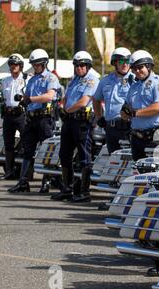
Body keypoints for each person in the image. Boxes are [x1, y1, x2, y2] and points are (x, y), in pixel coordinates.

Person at [8, 49, 61, 193]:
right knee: (27, 150)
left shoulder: (51, 78)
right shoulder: (31, 80)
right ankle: (23, 182)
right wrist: (22, 99)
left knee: (46, 151)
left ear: (44, 64)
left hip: (44, 118)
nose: (35, 67)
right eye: (34, 65)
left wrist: (29, 99)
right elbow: (27, 96)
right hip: (31, 118)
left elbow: (50, 96)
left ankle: (47, 182)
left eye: (38, 64)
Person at [51, 51, 99, 203]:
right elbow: (66, 98)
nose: (79, 68)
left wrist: (67, 110)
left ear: (88, 66)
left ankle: (84, 192)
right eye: (77, 65)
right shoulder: (74, 80)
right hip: (69, 121)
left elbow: (84, 101)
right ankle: (67, 189)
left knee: (85, 157)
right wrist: (64, 108)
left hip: (82, 122)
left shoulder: (92, 80)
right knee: (64, 154)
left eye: (82, 65)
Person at [121, 50, 159, 161]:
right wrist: (125, 113)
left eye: (140, 67)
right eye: (134, 69)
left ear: (149, 66)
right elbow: (124, 109)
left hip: (157, 136)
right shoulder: (134, 87)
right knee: (138, 173)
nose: (137, 71)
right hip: (137, 137)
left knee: (158, 172)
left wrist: (135, 113)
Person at [93, 47, 134, 154]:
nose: (125, 64)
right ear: (115, 63)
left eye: (127, 61)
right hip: (110, 128)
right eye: (121, 61)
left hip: (129, 126)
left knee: (129, 161)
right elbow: (96, 99)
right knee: (113, 160)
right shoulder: (105, 81)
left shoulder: (136, 80)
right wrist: (99, 117)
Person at [0, 54, 28, 181]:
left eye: (15, 64)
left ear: (20, 65)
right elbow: (4, 98)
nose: (13, 67)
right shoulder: (5, 81)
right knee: (8, 144)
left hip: (21, 114)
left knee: (26, 142)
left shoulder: (27, 79)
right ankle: (9, 172)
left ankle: (26, 174)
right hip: (9, 114)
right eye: (11, 64)